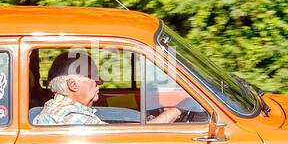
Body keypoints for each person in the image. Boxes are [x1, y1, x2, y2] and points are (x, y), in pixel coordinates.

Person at [33, 50, 184, 125]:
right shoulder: (72, 117)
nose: (101, 81)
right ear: (73, 85)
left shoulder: (57, 107)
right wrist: (179, 109)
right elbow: (130, 140)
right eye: (94, 76)